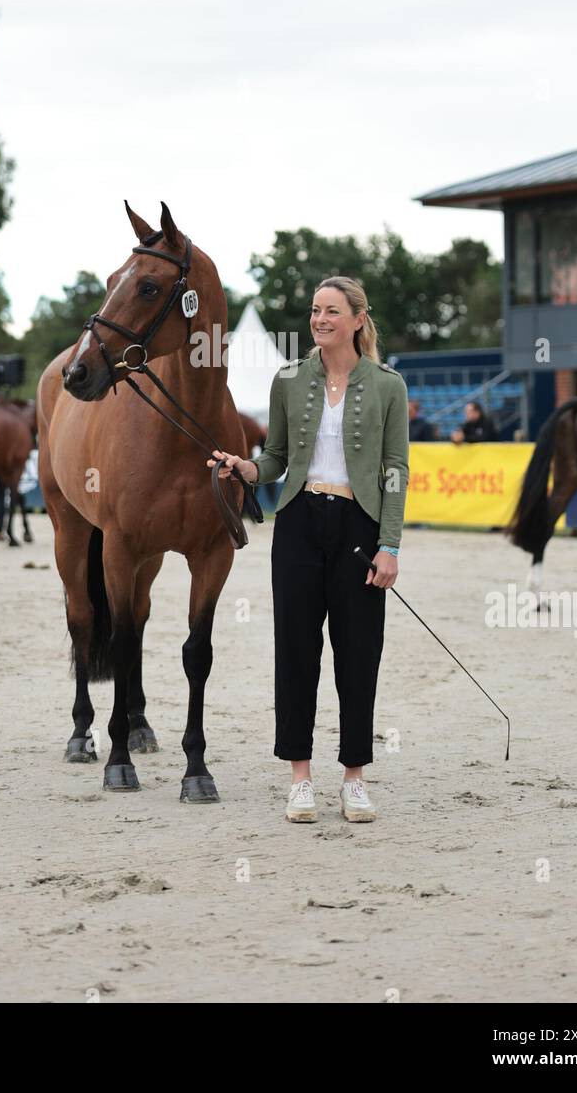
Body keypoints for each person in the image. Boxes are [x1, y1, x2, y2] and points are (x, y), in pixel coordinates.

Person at [209, 276, 409, 825]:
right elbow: (275, 457)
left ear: (357, 320)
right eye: (315, 311)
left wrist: (388, 546)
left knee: (359, 654)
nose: (319, 320)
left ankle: (354, 777)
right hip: (298, 524)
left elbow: (396, 471)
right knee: (296, 652)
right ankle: (300, 778)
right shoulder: (289, 380)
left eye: (331, 312)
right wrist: (248, 469)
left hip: (360, 529)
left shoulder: (389, 386)